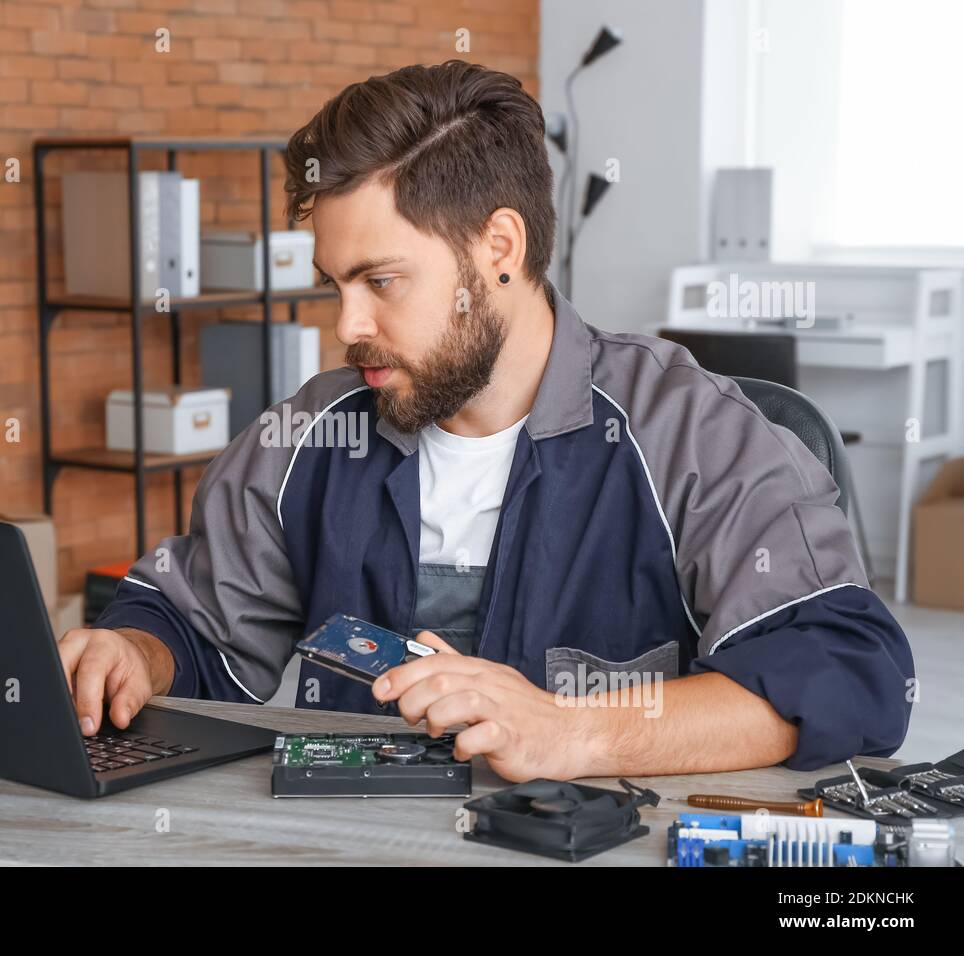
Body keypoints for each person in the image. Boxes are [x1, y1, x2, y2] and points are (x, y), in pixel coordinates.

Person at [58, 60, 914, 781]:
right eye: (335, 285)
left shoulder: (689, 433)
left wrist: (572, 730)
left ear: (498, 249)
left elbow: (849, 674)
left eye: (381, 282)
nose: (345, 327)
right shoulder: (313, 438)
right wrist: (134, 654)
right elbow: (192, 625)